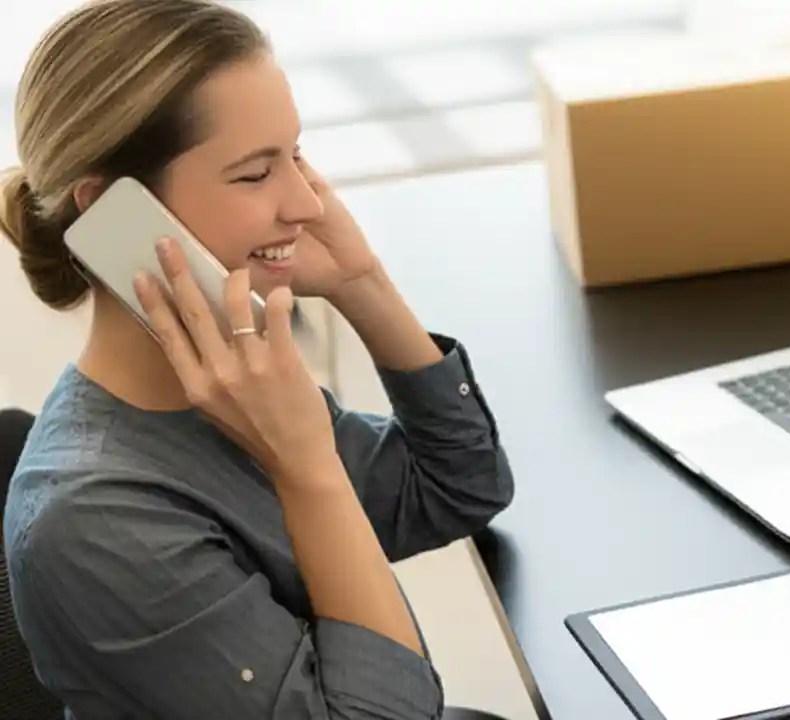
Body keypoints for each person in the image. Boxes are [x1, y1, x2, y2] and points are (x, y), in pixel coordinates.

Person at [0, 1, 515, 718]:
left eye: (296, 155)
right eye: (253, 174)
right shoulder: (94, 520)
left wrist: (358, 281)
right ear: (108, 214)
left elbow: (459, 487)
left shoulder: (227, 394)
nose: (304, 202)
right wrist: (304, 464)